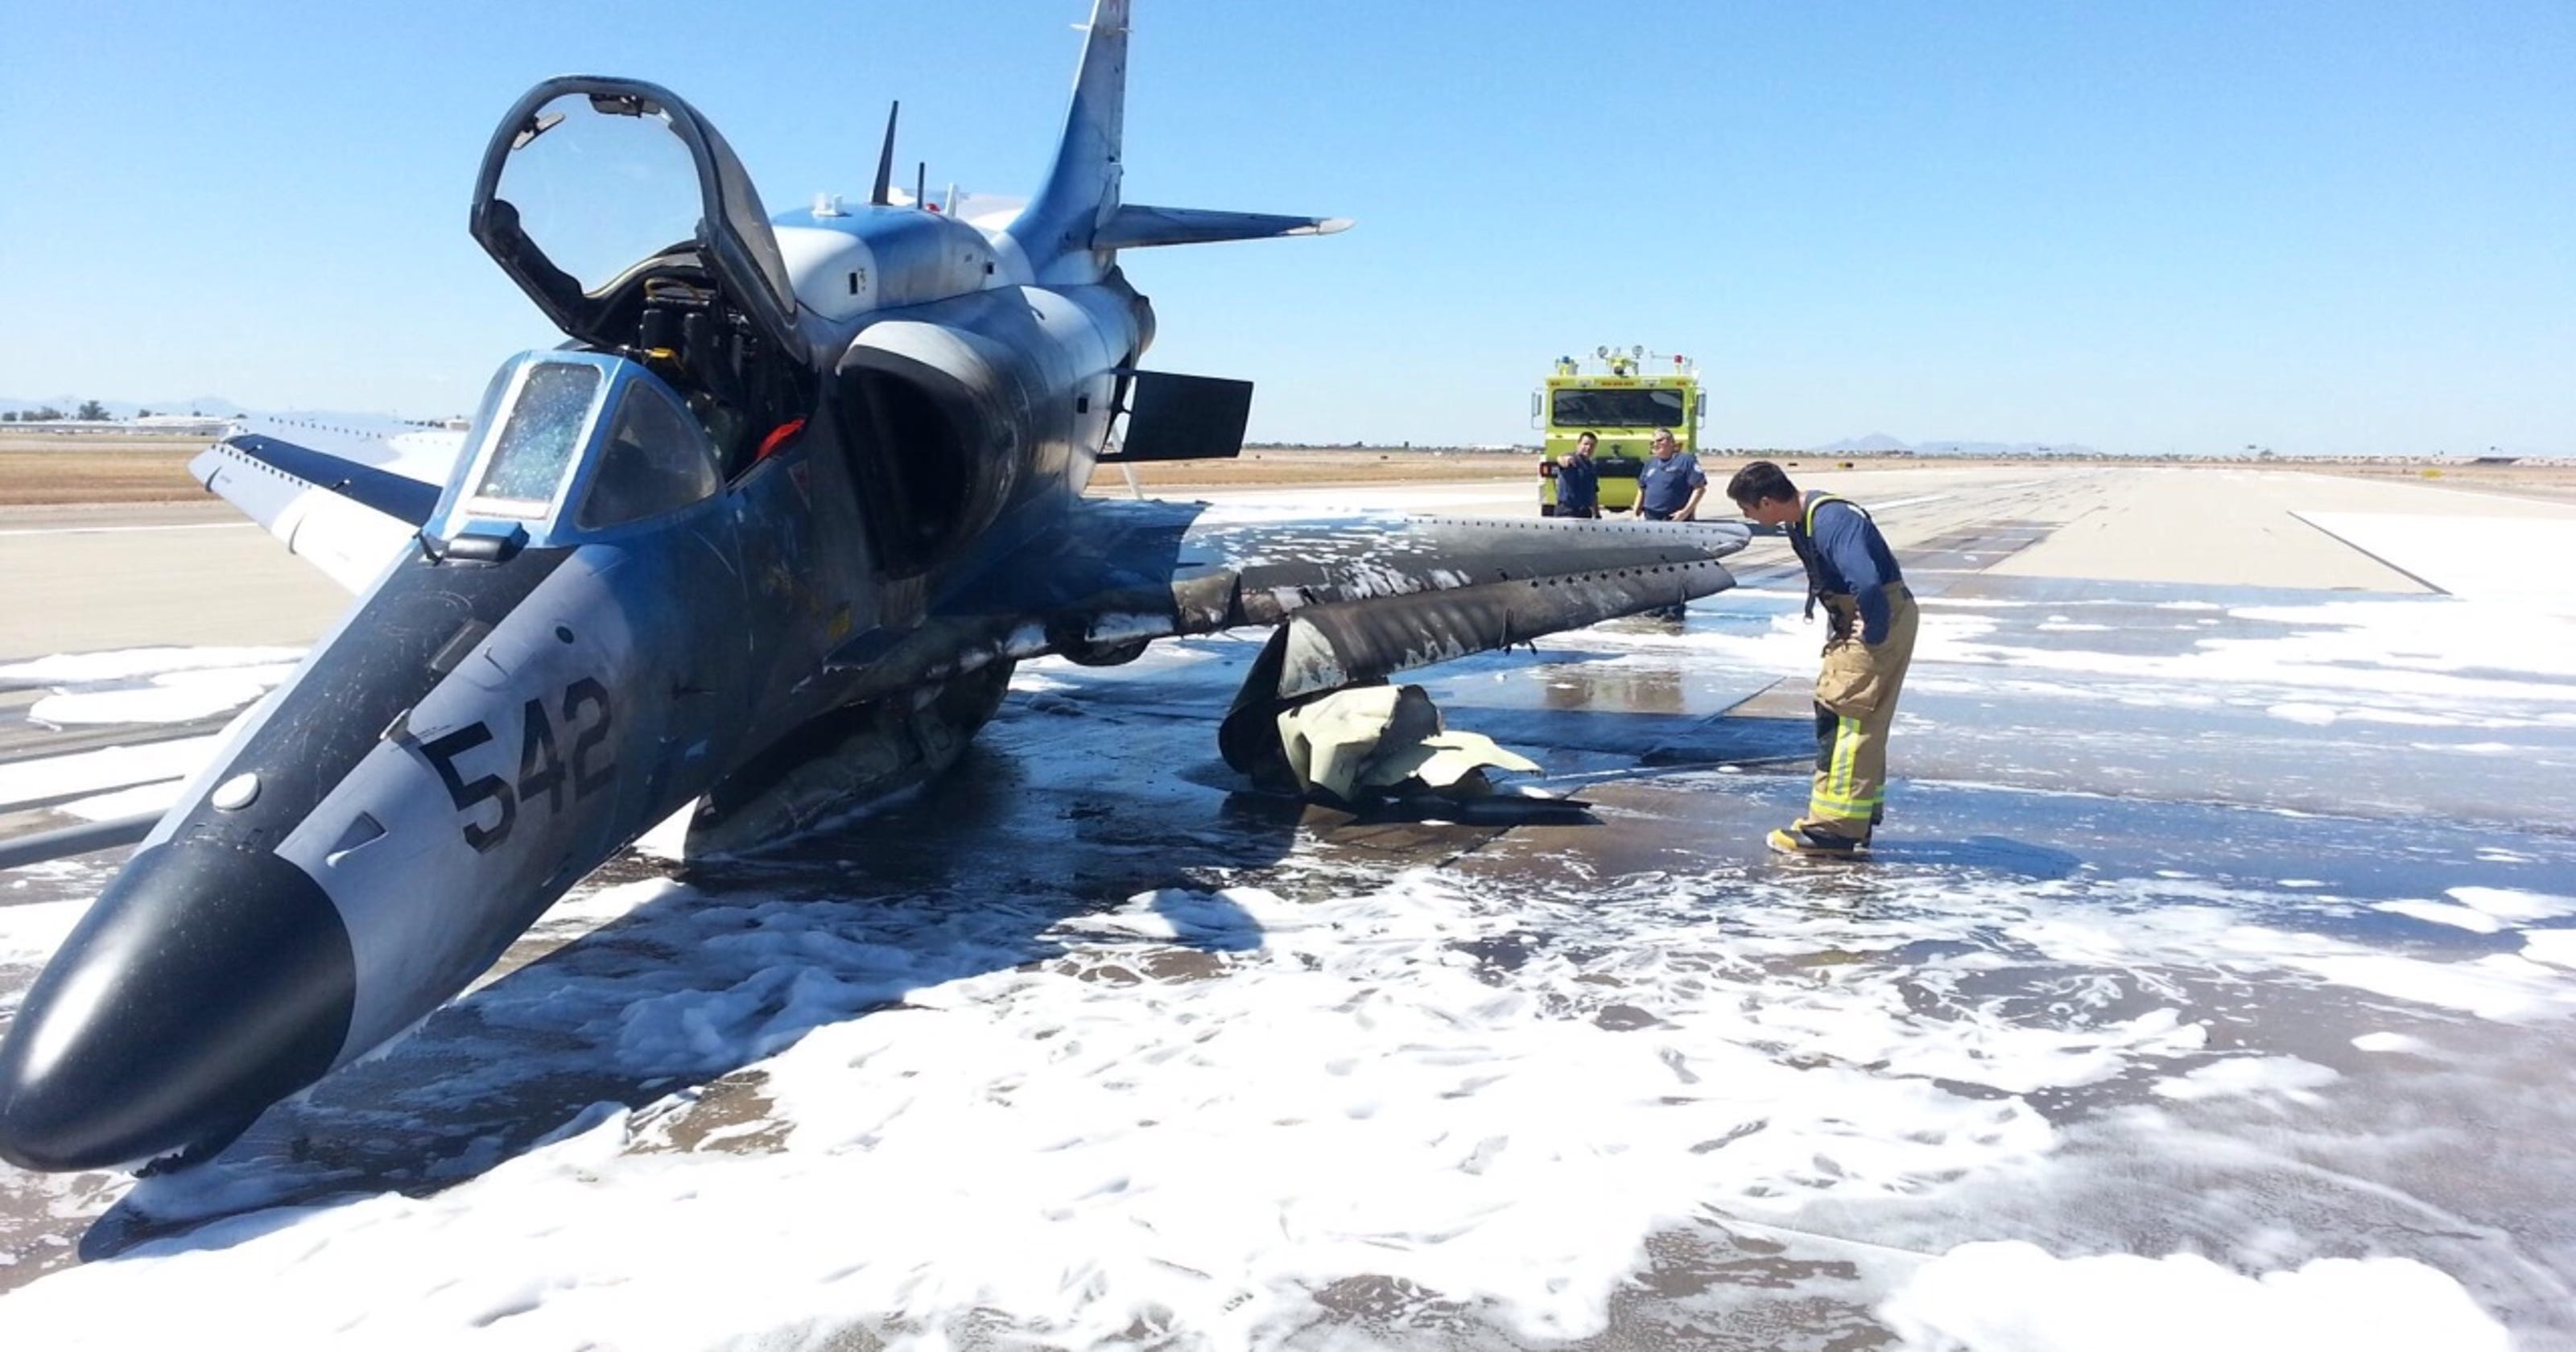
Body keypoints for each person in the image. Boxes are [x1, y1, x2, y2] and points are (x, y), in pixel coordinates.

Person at [1726, 460, 1916, 858]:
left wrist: (1874, 634)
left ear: (1765, 502)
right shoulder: (1802, 521)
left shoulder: (1830, 519)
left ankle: (1834, 830)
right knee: (1855, 718)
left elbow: (1863, 580)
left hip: (1877, 620)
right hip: (1857, 620)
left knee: (1847, 719)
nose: (1747, 517)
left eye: (1747, 509)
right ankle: (1857, 820)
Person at [1633, 430, 1706, 521]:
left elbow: (1699, 489)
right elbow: (1642, 489)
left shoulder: (1686, 460)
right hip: (1651, 517)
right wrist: (1636, 513)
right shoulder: (1650, 463)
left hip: (1675, 517)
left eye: (1660, 440)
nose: (1655, 444)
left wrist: (1685, 512)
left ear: (1671, 442)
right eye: (1652, 443)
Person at [1554, 432, 1602, 517]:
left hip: (1584, 512)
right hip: (1567, 512)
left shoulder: (1591, 467)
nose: (1588, 448)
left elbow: (1594, 493)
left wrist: (1597, 513)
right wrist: (1563, 459)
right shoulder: (1572, 459)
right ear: (1578, 444)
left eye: (1592, 445)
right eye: (1586, 444)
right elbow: (1561, 459)